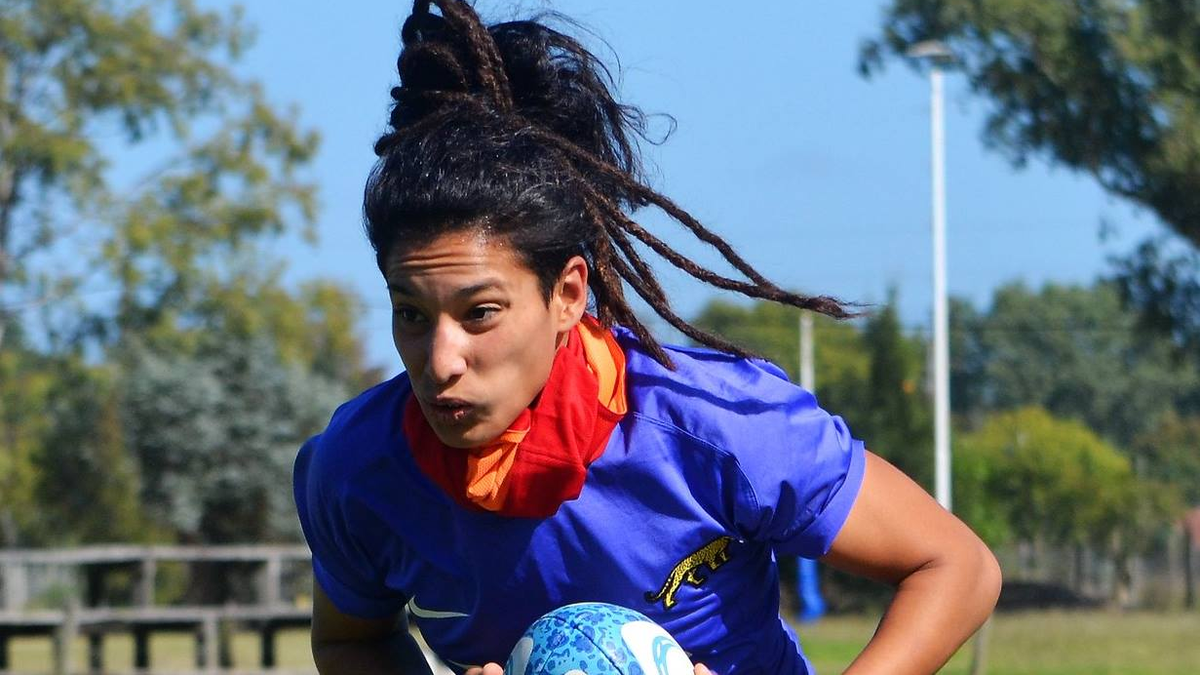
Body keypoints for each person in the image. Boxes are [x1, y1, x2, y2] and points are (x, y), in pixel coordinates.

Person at [292, 2, 1002, 674]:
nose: (440, 359)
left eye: (479, 313)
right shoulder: (359, 469)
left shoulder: (716, 426)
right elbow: (352, 640)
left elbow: (956, 566)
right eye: (411, 314)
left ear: (568, 294)